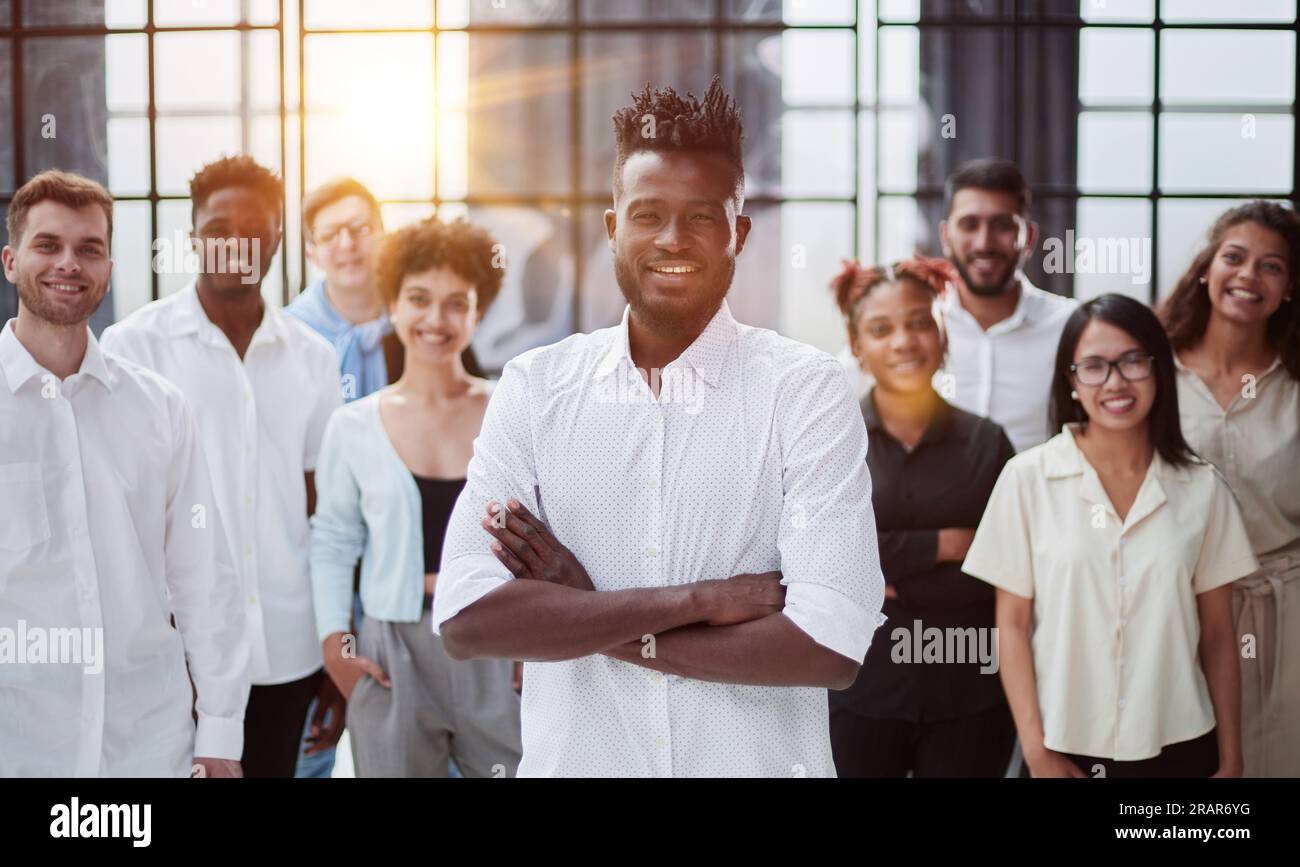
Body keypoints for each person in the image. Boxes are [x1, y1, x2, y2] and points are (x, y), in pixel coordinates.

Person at [431, 78, 886, 777]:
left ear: (738, 232)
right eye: (648, 214)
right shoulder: (536, 387)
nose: (672, 239)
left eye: (701, 217)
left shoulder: (806, 390)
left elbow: (829, 645)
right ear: (614, 228)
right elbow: (466, 618)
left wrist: (587, 612)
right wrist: (701, 600)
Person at [102, 155, 344, 778]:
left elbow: (325, 515)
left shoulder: (314, 360)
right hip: (172, 657)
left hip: (288, 655)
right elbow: (117, 517)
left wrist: (333, 651)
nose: (236, 243)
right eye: (217, 228)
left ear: (277, 239)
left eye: (254, 228)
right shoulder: (133, 349)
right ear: (193, 240)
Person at [0, 169, 248, 777]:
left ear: (109, 267)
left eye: (90, 249)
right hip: (19, 743)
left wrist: (220, 733)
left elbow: (203, 577)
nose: (70, 264)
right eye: (48, 245)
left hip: (144, 743)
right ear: (11, 261)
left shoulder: (159, 408)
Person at [964, 294, 1255, 778]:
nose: (1116, 382)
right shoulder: (1027, 479)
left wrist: (1231, 759)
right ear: (1071, 381)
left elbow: (1221, 636)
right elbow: (1011, 627)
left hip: (1181, 745)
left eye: (1133, 362)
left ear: (1158, 370)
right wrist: (1037, 751)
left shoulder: (1202, 489)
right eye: (1094, 366)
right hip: (1065, 747)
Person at [311, 216, 522, 777]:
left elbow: (549, 533)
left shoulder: (511, 412)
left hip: (495, 638)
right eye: (419, 299)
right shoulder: (352, 426)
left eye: (457, 303)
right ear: (394, 305)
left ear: (479, 311)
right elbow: (333, 541)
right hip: (391, 651)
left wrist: (538, 640)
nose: (436, 319)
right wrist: (338, 645)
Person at [826, 257, 1017, 777]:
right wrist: (947, 546)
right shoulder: (832, 442)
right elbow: (820, 555)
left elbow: (1009, 566)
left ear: (941, 331)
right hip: (860, 688)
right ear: (858, 344)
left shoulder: (988, 443)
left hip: (970, 690)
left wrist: (882, 571)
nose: (904, 341)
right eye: (882, 329)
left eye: (918, 322)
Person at [1160, 201, 1300, 778]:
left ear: (1289, 288)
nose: (1248, 276)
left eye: (1271, 267)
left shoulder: (1294, 384)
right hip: (1177, 608)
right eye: (1234, 258)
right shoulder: (1153, 375)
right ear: (1205, 268)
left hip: (1287, 611)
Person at [285, 177, 389, 778]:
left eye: (360, 228)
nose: (348, 245)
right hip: (314, 574)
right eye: (331, 235)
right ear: (312, 252)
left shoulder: (418, 322)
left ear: (381, 235)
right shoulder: (288, 340)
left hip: (396, 579)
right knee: (309, 749)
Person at [937, 158, 1076, 453]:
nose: (983, 242)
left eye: (1002, 225)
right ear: (945, 237)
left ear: (1030, 238)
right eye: (969, 224)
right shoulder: (917, 326)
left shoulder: (1072, 326)